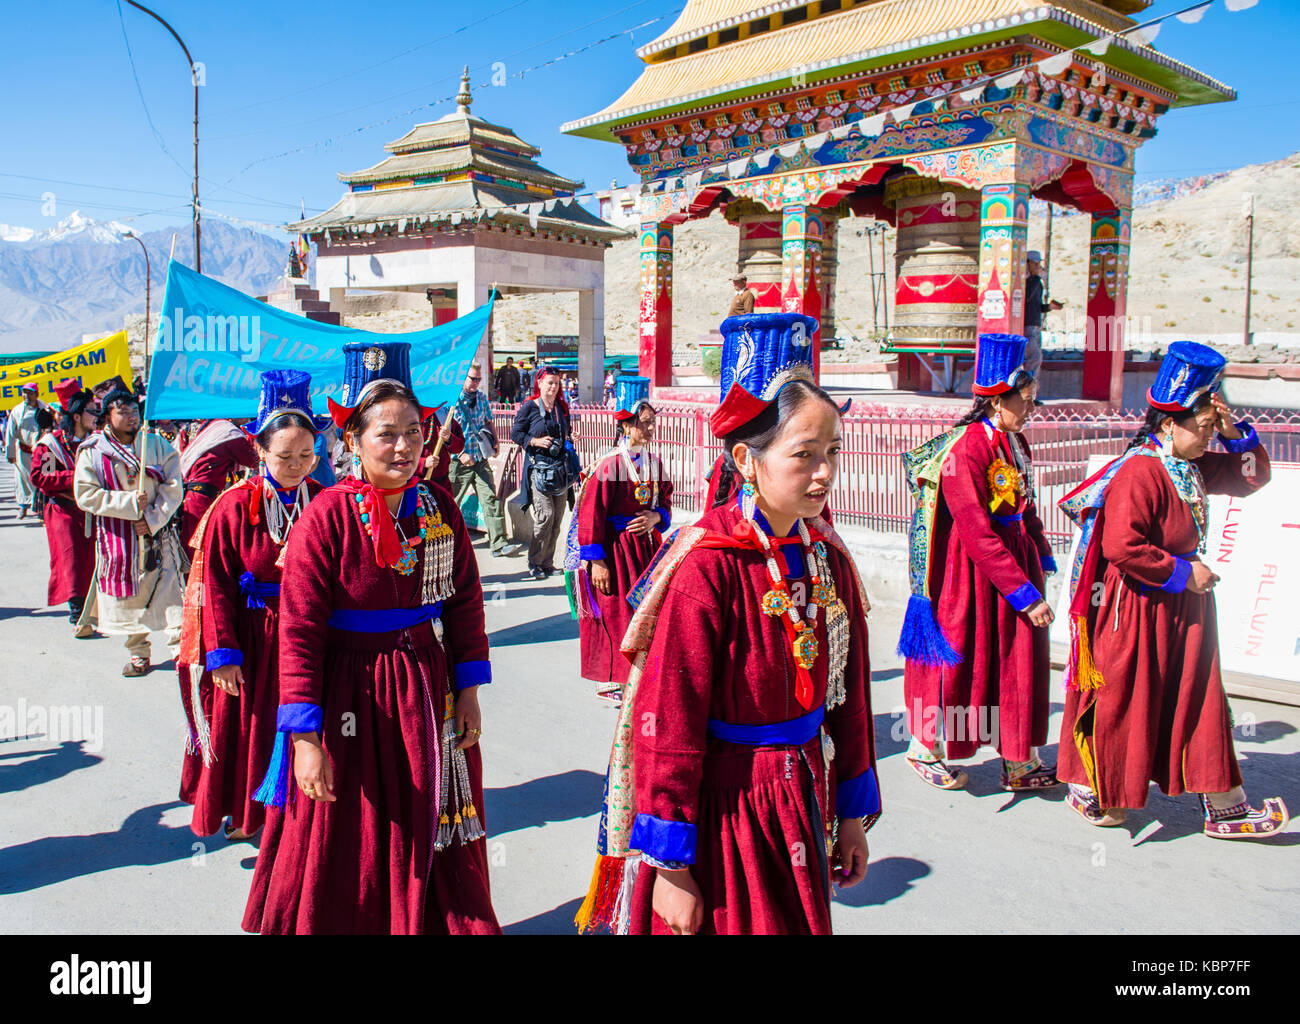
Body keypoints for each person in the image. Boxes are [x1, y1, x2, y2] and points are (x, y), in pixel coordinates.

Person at [576, 312, 878, 936]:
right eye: (804, 455)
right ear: (747, 459)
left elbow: (849, 698)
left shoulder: (829, 558)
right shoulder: (707, 566)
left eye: (832, 453)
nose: (823, 472)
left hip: (800, 793)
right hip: (725, 806)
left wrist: (850, 811)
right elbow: (670, 718)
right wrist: (670, 866)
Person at [243, 341, 499, 934]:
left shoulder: (438, 507)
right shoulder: (326, 517)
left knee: (430, 815)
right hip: (348, 693)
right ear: (353, 440)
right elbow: (300, 632)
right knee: (353, 824)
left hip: (424, 686)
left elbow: (464, 604)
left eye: (414, 430)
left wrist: (468, 691)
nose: (405, 446)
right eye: (386, 433)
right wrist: (305, 737)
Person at [1056, 342, 1287, 838]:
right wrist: (1185, 574)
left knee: (1198, 696)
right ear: (1169, 424)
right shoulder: (1141, 470)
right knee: (1129, 698)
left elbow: (1253, 478)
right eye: (1202, 428)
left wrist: (1237, 432)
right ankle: (1099, 788)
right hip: (1139, 606)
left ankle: (1225, 804)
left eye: (1210, 430)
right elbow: (1123, 545)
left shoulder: (1190, 467)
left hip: (1185, 607)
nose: (1207, 439)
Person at [898, 333, 1059, 792]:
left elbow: (1026, 506)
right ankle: (922, 747)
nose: (1030, 410)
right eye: (1024, 402)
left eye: (1032, 402)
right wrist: (1024, 595)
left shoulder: (1015, 443)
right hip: (967, 573)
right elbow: (975, 528)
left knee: (1014, 659)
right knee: (957, 657)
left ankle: (1018, 758)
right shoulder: (966, 449)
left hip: (1012, 566)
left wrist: (1042, 553)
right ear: (996, 401)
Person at [177, 370, 324, 844]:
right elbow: (214, 585)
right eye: (284, 456)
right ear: (258, 450)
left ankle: (300, 812)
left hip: (308, 636)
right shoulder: (232, 506)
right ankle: (248, 814)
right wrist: (223, 655)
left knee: (303, 722)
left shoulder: (324, 502)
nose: (296, 464)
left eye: (306, 455)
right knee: (249, 727)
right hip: (252, 635)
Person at [565, 375, 672, 701]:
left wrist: (657, 516)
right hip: (615, 549)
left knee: (645, 609)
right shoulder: (609, 465)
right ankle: (610, 677)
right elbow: (591, 512)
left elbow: (665, 500)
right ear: (627, 426)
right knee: (613, 609)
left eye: (653, 422)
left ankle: (639, 674)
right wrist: (596, 561)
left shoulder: (654, 463)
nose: (651, 429)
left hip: (647, 549)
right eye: (645, 423)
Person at [74, 388, 185, 676]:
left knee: (171, 597)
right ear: (107, 416)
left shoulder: (157, 445)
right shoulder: (93, 452)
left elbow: (174, 487)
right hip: (118, 541)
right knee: (129, 602)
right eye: (122, 411)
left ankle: (180, 651)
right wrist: (126, 504)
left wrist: (152, 518)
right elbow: (86, 495)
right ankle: (139, 654)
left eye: (134, 410)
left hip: (156, 536)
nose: (130, 416)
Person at [30, 379, 97, 634]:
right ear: (77, 415)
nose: (96, 415)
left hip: (90, 510)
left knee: (92, 558)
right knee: (71, 560)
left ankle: (93, 608)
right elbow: (43, 478)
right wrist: (78, 476)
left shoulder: (95, 441)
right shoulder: (52, 445)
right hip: (63, 510)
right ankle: (77, 612)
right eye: (91, 410)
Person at [511, 366, 576, 580]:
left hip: (560, 472)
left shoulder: (561, 408)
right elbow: (516, 433)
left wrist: (570, 438)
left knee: (556, 520)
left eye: (556, 383)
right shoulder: (530, 407)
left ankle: (548, 562)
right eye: (549, 382)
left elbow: (566, 434)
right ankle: (535, 561)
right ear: (539, 383)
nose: (554, 386)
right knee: (545, 516)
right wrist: (535, 441)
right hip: (539, 471)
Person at [447, 365, 514, 557]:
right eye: (472, 379)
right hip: (459, 462)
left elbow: (488, 420)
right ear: (463, 377)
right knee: (451, 503)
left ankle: (499, 543)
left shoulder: (482, 398)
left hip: (479, 458)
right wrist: (459, 454)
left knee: (491, 499)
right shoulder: (453, 400)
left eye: (478, 379)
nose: (475, 383)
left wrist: (495, 440)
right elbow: (445, 433)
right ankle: (446, 543)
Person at [179, 417, 259, 548]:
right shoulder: (229, 434)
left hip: (195, 495)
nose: (247, 418)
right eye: (244, 415)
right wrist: (253, 434)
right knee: (203, 545)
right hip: (202, 497)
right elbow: (253, 459)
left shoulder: (214, 427)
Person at [5, 382, 45, 519]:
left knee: (45, 477)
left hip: (42, 452)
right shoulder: (17, 410)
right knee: (22, 480)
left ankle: (42, 507)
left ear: (36, 394)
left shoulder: (44, 408)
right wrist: (10, 453)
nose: (26, 395)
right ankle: (23, 507)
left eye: (30, 393)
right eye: (24, 392)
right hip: (23, 452)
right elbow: (10, 432)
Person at [1024, 251, 1063, 392]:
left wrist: (1050, 307)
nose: (1037, 266)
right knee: (1034, 357)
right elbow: (1026, 299)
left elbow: (1036, 306)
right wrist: (1035, 278)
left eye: (1038, 263)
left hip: (1035, 325)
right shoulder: (1029, 282)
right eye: (1034, 263)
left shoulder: (1036, 282)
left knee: (1034, 360)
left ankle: (1031, 393)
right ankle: (1027, 392)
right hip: (1026, 325)